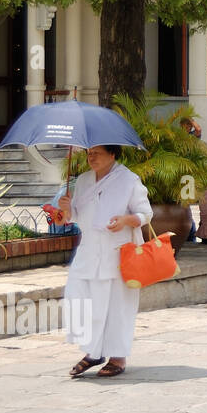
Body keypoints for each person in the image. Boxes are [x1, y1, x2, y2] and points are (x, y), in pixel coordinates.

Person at [56, 145, 153, 379]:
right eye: (89, 153)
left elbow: (146, 213)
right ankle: (93, 351)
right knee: (79, 297)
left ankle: (117, 356)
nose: (91, 158)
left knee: (117, 305)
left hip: (117, 252)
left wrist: (126, 220)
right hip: (89, 250)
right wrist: (66, 210)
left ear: (112, 154)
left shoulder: (129, 179)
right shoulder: (83, 180)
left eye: (97, 153)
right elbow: (77, 216)